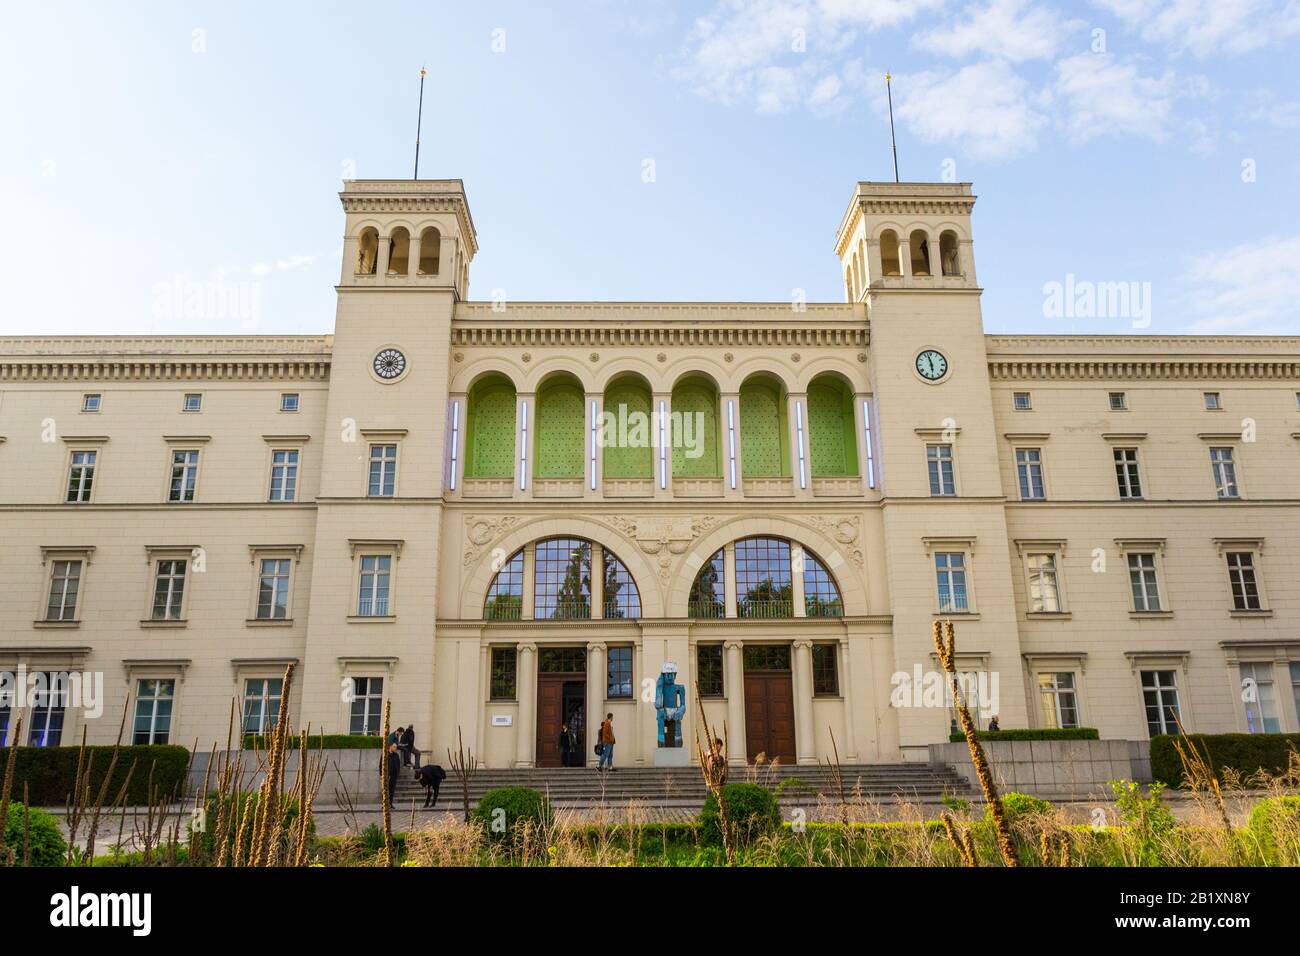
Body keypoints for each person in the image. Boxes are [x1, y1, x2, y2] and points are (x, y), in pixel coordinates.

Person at [384, 742, 402, 808]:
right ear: (390, 746)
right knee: (385, 791)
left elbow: (398, 764)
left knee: (392, 791)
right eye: (394, 747)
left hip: (394, 776)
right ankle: (385, 804)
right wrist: (382, 775)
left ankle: (390, 804)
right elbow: (381, 765)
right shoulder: (385, 754)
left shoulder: (396, 755)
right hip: (386, 776)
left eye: (396, 747)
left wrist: (398, 773)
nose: (395, 748)